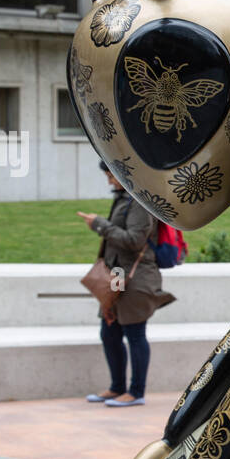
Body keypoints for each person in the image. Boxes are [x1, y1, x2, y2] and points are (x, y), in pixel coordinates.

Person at [78, 163, 175, 406]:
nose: (110, 181)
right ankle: (117, 388)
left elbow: (133, 241)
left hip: (136, 278)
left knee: (134, 333)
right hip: (117, 277)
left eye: (112, 175)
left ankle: (136, 393)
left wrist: (99, 225)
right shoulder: (124, 199)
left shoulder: (140, 203)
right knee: (109, 333)